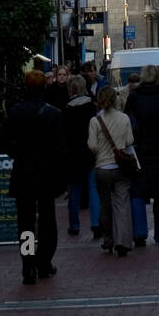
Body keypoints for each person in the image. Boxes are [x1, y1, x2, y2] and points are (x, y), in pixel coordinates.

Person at [6, 71, 66, 283]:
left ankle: (28, 263)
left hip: (23, 174)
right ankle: (44, 261)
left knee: (26, 222)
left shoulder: (14, 112)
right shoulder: (53, 114)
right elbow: (60, 149)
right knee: (47, 220)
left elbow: (8, 146)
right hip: (46, 175)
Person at [125, 65, 159, 244]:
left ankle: (139, 233)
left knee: (138, 192)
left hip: (140, 150)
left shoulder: (134, 97)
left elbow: (128, 123)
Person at [88, 86, 134, 256]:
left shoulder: (95, 121)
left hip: (102, 167)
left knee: (105, 204)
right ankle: (123, 241)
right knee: (122, 204)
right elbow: (130, 140)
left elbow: (92, 146)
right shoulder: (124, 118)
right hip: (120, 167)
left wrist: (101, 149)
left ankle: (108, 240)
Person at [63, 75, 101, 239]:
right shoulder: (92, 107)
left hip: (73, 154)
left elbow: (64, 135)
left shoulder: (67, 109)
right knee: (93, 189)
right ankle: (96, 224)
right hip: (91, 152)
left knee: (75, 190)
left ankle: (74, 225)